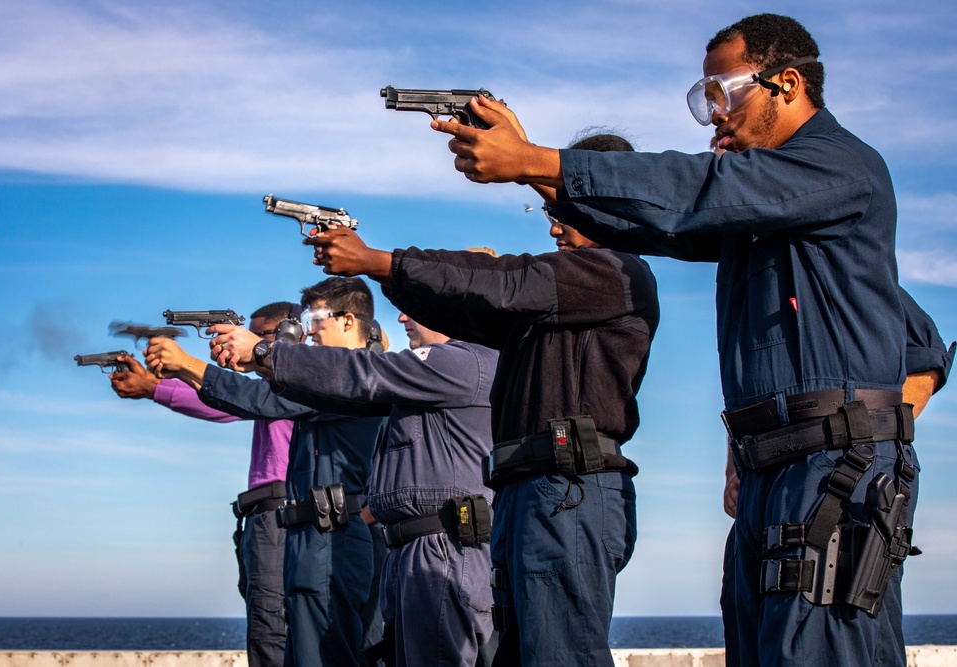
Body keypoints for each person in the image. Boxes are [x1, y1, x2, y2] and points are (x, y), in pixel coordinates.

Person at [427, 11, 924, 666]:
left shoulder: (838, 167)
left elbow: (700, 190)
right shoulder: (758, 212)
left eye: (725, 93)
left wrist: (536, 158)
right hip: (773, 471)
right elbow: (665, 222)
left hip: (834, 469)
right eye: (703, 98)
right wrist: (533, 174)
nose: (713, 113)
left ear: (787, 84)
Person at [303, 131, 659, 667]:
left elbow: (503, 281)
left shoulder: (610, 272)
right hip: (533, 492)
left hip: (569, 491)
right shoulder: (564, 290)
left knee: (560, 656)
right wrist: (382, 271)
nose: (555, 225)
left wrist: (381, 262)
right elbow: (466, 311)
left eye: (565, 208)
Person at [209, 306, 499, 667]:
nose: (403, 318)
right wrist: (268, 364)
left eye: (416, 308)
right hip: (410, 545)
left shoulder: (459, 363)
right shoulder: (429, 373)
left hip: (434, 546)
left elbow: (357, 376)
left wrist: (266, 354)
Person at [147, 277, 387, 667]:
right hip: (316, 532)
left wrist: (186, 364)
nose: (310, 330)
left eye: (318, 319)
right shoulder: (347, 373)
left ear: (347, 321)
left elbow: (261, 400)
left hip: (330, 534)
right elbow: (263, 398)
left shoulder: (350, 374)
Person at [719, 287, 955, 665]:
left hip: (835, 487)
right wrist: (736, 467)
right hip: (767, 496)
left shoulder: (836, 276)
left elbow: (926, 358)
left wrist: (854, 432)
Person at [110, 301, 301, 667]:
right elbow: (228, 400)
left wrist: (164, 382)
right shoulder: (286, 385)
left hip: (278, 515)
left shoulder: (293, 385)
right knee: (276, 629)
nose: (241, 342)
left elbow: (232, 402)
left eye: (257, 336)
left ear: (288, 336)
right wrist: (157, 386)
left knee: (271, 633)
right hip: (270, 516)